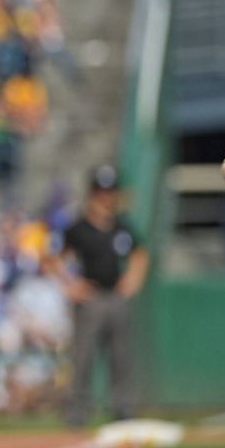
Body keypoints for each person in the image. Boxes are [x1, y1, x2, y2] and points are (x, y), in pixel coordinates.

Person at [53, 165, 149, 427]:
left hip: (116, 296)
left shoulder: (121, 226)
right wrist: (71, 285)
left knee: (121, 356)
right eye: (101, 191)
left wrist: (133, 280)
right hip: (91, 298)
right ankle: (78, 411)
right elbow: (54, 258)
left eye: (110, 191)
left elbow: (140, 254)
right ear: (92, 194)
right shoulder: (78, 227)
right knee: (83, 356)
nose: (106, 197)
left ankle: (123, 408)